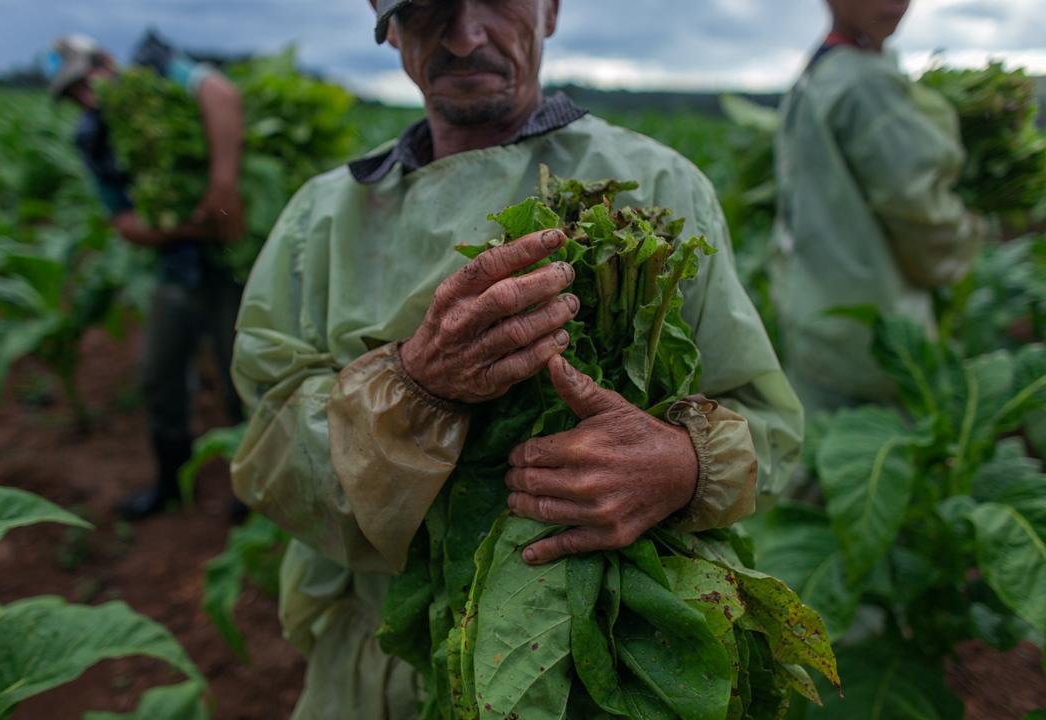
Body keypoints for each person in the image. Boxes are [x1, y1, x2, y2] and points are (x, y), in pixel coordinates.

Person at [230, 1, 802, 717]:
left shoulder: (658, 186)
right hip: (380, 655)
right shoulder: (322, 220)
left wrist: (681, 466)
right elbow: (270, 451)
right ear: (392, 31)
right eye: (428, 9)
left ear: (551, 10)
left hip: (604, 654)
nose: (466, 36)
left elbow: (766, 423)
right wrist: (413, 382)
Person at [45, 31, 247, 520]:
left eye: (86, 80)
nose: (86, 97)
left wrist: (223, 186)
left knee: (241, 372)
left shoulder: (162, 78)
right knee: (159, 373)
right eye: (72, 93)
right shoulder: (92, 137)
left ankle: (251, 489)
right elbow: (124, 223)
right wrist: (188, 225)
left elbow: (220, 92)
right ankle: (170, 484)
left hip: (236, 259)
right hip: (177, 265)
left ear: (107, 62)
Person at [772, 0, 987, 413]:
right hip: (872, 337)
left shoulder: (821, 69)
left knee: (822, 453)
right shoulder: (865, 83)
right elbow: (919, 208)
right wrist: (965, 234)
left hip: (815, 317)